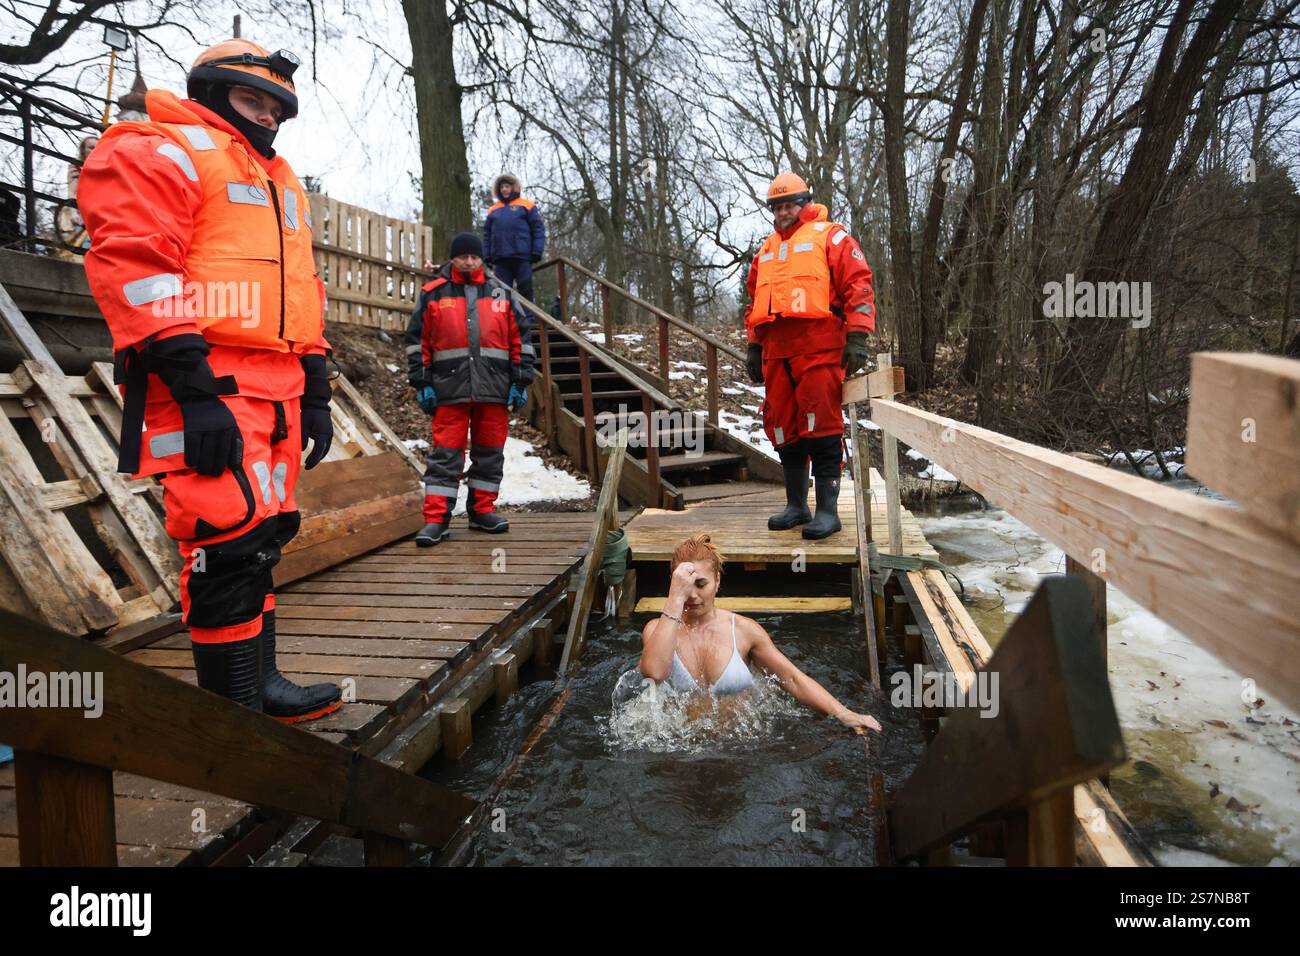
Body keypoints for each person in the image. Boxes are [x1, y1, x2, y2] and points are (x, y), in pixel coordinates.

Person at [78, 39, 342, 722]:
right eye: (252, 100)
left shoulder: (280, 181)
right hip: (207, 382)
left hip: (278, 386)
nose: (266, 117)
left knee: (263, 536)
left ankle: (263, 688)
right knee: (221, 542)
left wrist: (316, 390)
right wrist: (193, 391)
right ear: (211, 90)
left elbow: (302, 292)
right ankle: (232, 720)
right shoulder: (159, 147)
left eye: (277, 108)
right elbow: (137, 264)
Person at [638, 534, 882, 736]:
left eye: (701, 584)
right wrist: (674, 598)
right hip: (678, 750)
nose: (692, 595)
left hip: (738, 748)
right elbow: (654, 672)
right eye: (685, 586)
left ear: (718, 581)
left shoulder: (744, 631)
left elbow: (791, 678)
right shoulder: (657, 630)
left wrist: (842, 713)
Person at [744, 171, 876, 540]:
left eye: (789, 204)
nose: (783, 211)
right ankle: (796, 505)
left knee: (822, 425)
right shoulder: (766, 249)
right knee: (783, 426)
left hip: (819, 347)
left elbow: (859, 285)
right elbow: (753, 301)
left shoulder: (832, 236)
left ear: (805, 203)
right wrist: (754, 345)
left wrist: (857, 336)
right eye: (777, 206)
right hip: (776, 353)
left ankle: (828, 511)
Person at [406, 231, 535, 545]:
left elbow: (521, 340)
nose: (468, 261)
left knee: (489, 455)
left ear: (481, 259)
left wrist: (520, 381)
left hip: (494, 389)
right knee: (445, 457)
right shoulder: (432, 294)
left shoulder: (502, 294)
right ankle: (436, 520)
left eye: (473, 256)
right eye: (462, 256)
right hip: (449, 390)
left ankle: (481, 511)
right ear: (453, 258)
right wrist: (422, 383)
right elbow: (416, 342)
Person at [483, 173, 545, 304]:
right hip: (500, 257)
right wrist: (487, 255)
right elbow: (487, 235)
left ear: (513, 187)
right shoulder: (493, 210)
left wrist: (537, 251)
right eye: (502, 187)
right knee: (499, 290)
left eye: (507, 186)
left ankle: (528, 320)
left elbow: (538, 229)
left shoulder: (527, 205)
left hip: (522, 255)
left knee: (525, 286)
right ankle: (500, 320)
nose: (504, 189)